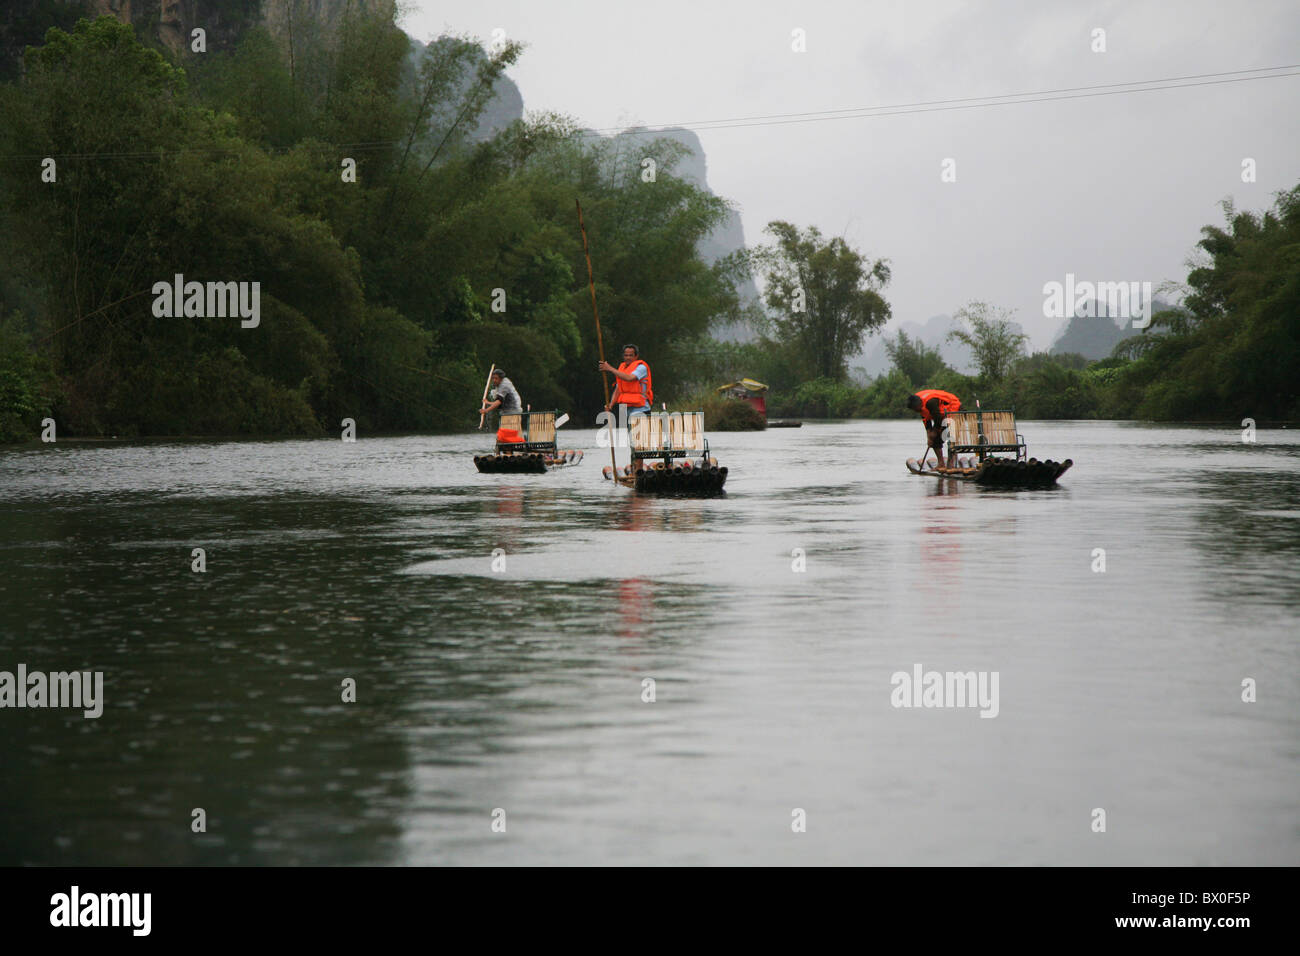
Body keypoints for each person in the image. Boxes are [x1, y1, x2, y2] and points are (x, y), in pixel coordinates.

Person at [908, 389, 961, 469]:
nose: (916, 411)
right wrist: (929, 436)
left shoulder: (930, 403)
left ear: (919, 404)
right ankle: (941, 463)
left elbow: (938, 419)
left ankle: (951, 463)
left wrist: (934, 432)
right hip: (942, 416)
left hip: (954, 410)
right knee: (934, 441)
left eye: (916, 409)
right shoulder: (918, 403)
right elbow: (926, 420)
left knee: (950, 438)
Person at [599, 344, 652, 419]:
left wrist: (610, 368)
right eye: (626, 355)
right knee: (629, 430)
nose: (628, 358)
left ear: (636, 356)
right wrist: (610, 405)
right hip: (626, 409)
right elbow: (618, 389)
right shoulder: (622, 368)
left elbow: (630, 378)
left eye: (631, 355)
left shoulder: (641, 367)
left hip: (641, 409)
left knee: (638, 430)